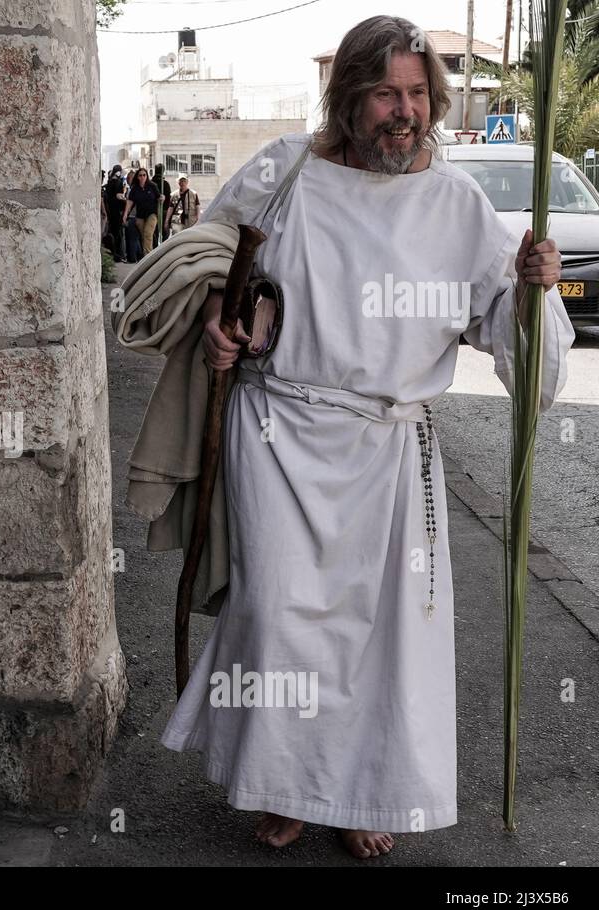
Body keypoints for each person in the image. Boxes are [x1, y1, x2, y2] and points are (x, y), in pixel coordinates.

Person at [157, 15, 574, 860]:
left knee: (384, 638)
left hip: (390, 450)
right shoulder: (287, 171)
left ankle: (361, 791)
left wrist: (536, 290)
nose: (404, 111)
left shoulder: (456, 204)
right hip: (279, 433)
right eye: (386, 91)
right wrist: (222, 323)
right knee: (279, 618)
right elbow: (213, 261)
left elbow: (515, 343)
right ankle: (283, 785)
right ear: (349, 95)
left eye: (419, 93)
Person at [127, 168, 161, 263]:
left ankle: (148, 258)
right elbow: (129, 202)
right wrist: (125, 215)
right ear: (137, 177)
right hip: (140, 216)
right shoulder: (135, 189)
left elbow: (159, 197)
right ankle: (147, 255)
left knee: (148, 234)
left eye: (144, 175)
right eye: (140, 175)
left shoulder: (152, 186)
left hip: (152, 214)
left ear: (147, 176)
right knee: (144, 237)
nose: (142, 177)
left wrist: (162, 198)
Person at [104, 166, 128, 262]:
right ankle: (117, 254)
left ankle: (113, 253)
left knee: (113, 233)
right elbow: (119, 196)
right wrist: (125, 200)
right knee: (118, 234)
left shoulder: (109, 182)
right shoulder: (117, 183)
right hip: (116, 212)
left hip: (110, 211)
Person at [151, 162, 169, 246]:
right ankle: (163, 249)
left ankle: (155, 249)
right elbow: (168, 200)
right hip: (162, 211)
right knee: (164, 232)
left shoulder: (150, 183)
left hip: (152, 211)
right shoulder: (165, 184)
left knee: (154, 232)